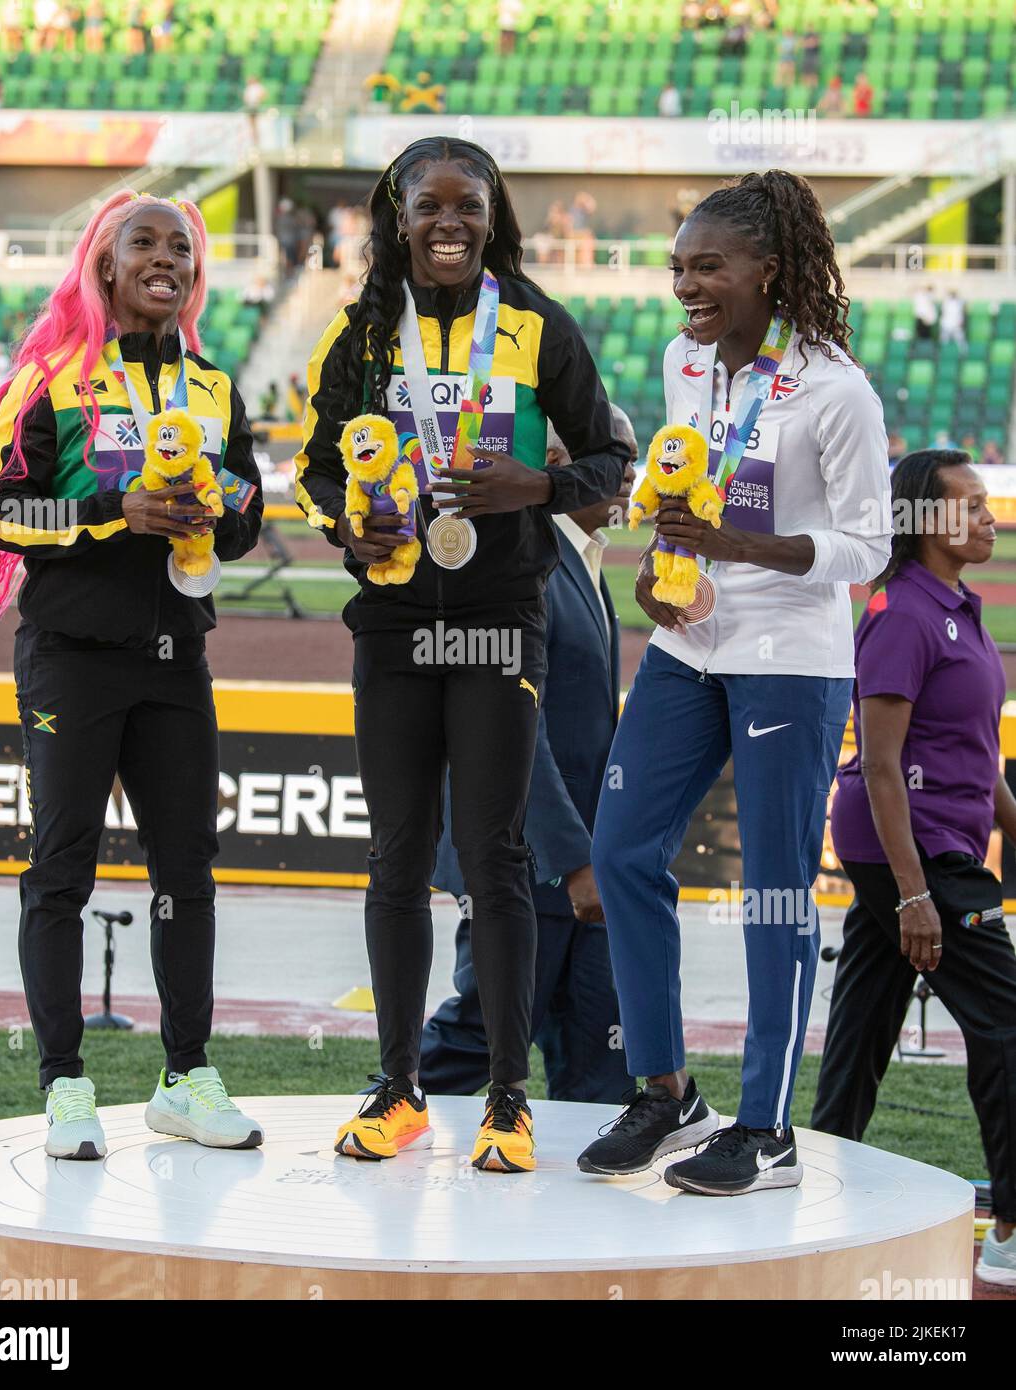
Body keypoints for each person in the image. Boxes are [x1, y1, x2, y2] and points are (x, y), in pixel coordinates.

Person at [293, 136, 628, 1172]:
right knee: (396, 857)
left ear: (493, 216)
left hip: (498, 616)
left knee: (498, 860)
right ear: (398, 219)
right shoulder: (360, 338)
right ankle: (397, 1089)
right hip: (394, 621)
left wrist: (538, 486)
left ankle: (509, 1102)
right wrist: (355, 529)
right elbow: (313, 470)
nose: (449, 224)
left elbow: (612, 461)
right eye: (428, 207)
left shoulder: (535, 327)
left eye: (468, 206)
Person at [578, 170, 891, 1192]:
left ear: (770, 268)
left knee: (772, 892)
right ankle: (668, 1091)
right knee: (621, 848)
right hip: (689, 643)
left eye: (708, 267)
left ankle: (767, 1130)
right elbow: (682, 487)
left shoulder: (836, 388)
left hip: (789, 664)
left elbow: (868, 548)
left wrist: (736, 546)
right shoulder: (684, 362)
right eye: (679, 268)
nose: (687, 288)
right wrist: (666, 569)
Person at [0, 192, 265, 1161]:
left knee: (189, 875)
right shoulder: (50, 378)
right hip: (73, 663)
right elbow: (1, 516)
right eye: (146, 243)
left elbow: (252, 509)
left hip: (177, 663)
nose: (166, 258)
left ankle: (184, 1073)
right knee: (62, 870)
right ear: (106, 265)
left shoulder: (212, 386)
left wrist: (219, 510)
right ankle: (65, 1083)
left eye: (183, 247)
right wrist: (110, 516)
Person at [812, 450, 1016, 1288]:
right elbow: (885, 764)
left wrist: (1010, 818)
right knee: (1008, 1024)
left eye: (985, 505)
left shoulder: (960, 608)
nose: (987, 517)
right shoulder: (899, 613)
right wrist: (917, 895)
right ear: (926, 522)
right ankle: (1010, 1225)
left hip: (933, 845)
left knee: (863, 1023)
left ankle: (818, 1192)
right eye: (968, 507)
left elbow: (977, 756)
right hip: (912, 849)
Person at [419, 409, 639, 1103]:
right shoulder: (522, 557)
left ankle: (594, 1185)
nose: (629, 473)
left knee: (599, 1048)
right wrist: (573, 860)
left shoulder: (584, 559)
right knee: (480, 1038)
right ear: (556, 463)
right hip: (529, 858)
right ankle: (389, 1120)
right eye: (614, 456)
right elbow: (517, 725)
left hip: (583, 862)